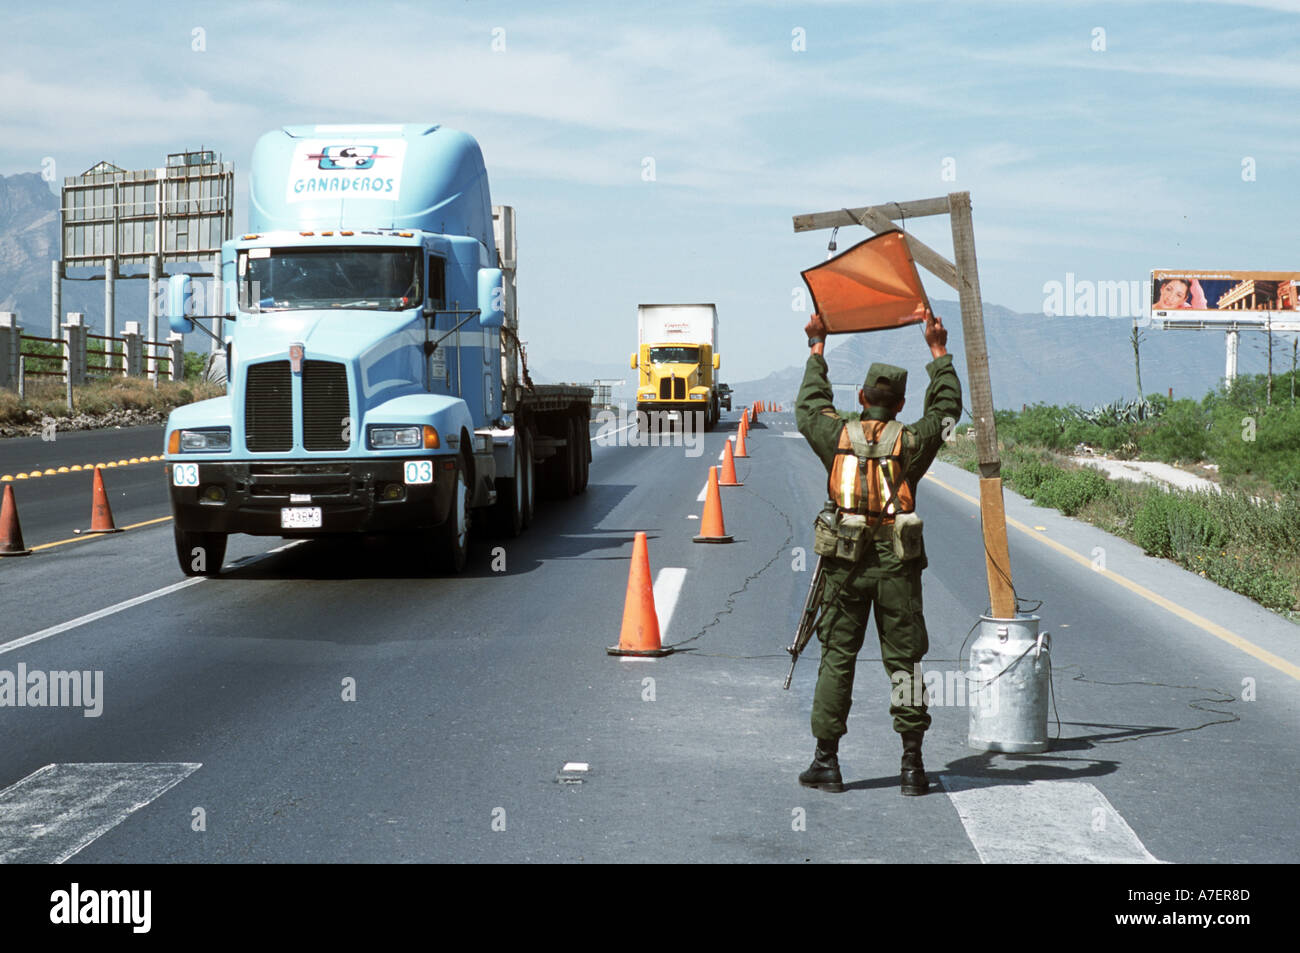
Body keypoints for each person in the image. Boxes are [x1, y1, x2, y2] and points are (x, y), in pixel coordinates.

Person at [794, 309, 962, 796]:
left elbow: (809, 408)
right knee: (904, 663)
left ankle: (827, 762)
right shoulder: (911, 442)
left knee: (837, 658)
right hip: (896, 567)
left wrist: (817, 347)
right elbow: (946, 413)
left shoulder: (837, 436)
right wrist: (938, 352)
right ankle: (912, 767)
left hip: (844, 565)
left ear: (862, 398)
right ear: (902, 403)